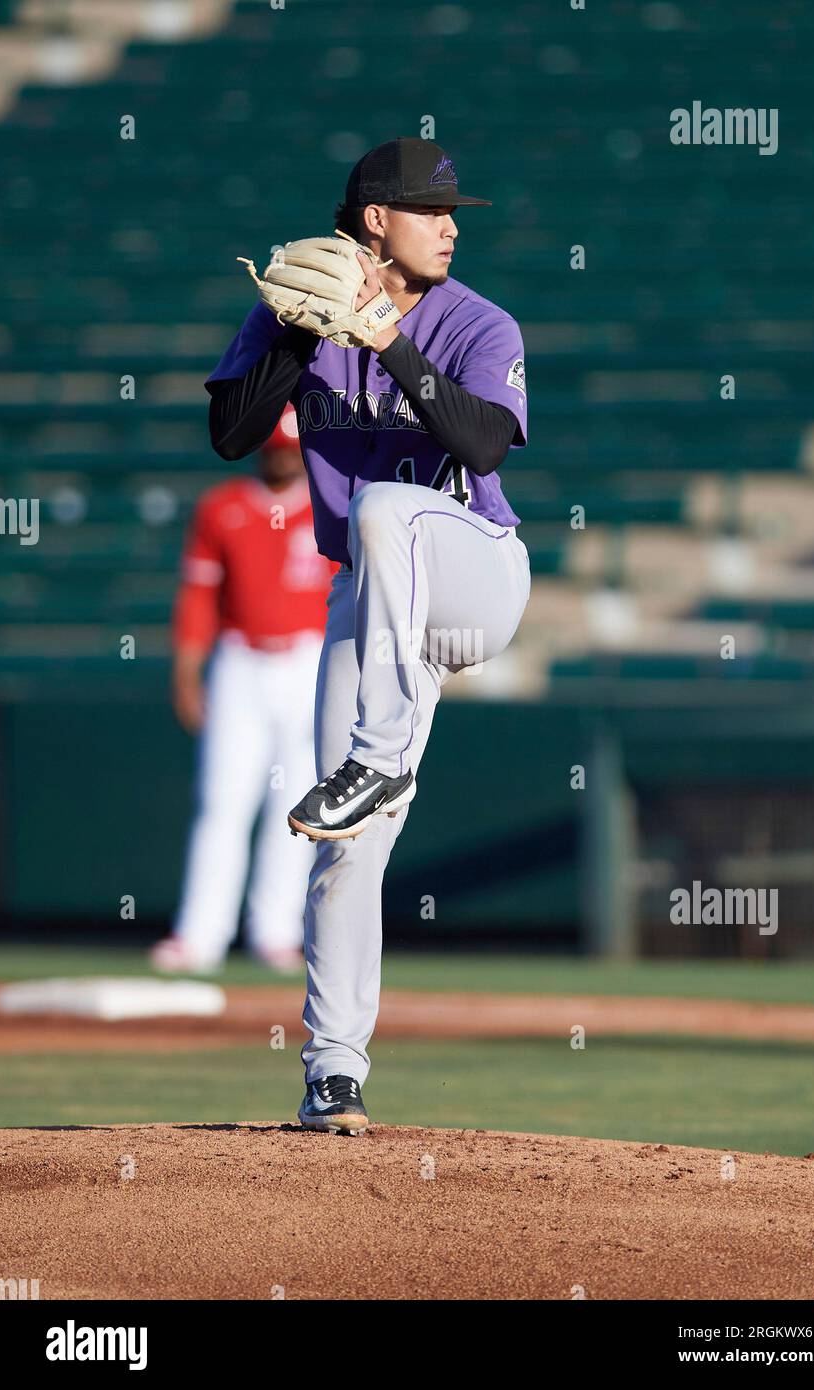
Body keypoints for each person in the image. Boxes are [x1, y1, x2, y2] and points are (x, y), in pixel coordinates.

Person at [204, 138, 531, 1131]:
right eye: (434, 209)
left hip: (474, 570)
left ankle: (379, 757)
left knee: (388, 505)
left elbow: (479, 443)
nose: (453, 224)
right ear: (376, 220)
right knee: (345, 840)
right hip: (374, 609)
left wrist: (385, 336)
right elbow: (230, 435)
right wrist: (303, 334)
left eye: (454, 210)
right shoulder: (293, 304)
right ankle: (333, 1072)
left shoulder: (478, 319)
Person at [151, 404, 338, 975]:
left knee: (298, 807)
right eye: (275, 448)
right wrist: (187, 673)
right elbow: (197, 598)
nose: (282, 457)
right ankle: (200, 934)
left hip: (306, 661)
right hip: (240, 660)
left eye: (290, 448)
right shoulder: (223, 507)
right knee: (223, 802)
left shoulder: (331, 506)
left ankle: (275, 930)